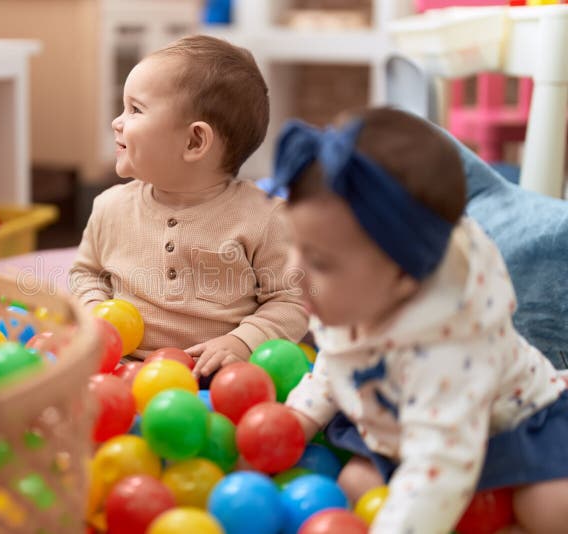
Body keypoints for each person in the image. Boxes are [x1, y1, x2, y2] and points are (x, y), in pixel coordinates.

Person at [277, 107, 568, 533]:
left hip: (506, 426)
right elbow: (340, 355)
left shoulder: (448, 349)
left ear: (402, 278)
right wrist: (300, 417)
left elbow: (439, 464)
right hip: (404, 417)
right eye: (292, 245)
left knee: (552, 508)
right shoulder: (354, 296)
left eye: (319, 262)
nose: (294, 272)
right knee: (355, 486)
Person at [70, 35, 308, 379]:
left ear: (195, 141)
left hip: (213, 382)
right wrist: (94, 308)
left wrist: (243, 342)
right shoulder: (110, 207)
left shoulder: (265, 217)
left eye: (135, 110)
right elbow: (86, 273)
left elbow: (292, 299)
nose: (117, 122)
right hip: (121, 373)